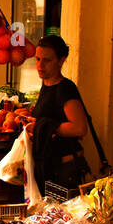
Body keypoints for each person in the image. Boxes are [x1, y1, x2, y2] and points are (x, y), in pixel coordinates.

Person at [22, 34, 92, 197]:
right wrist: (36, 123)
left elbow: (80, 128)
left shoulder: (65, 89)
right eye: (38, 59)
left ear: (61, 60)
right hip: (52, 168)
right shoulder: (46, 85)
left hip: (66, 172)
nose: (40, 65)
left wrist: (43, 125)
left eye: (47, 60)